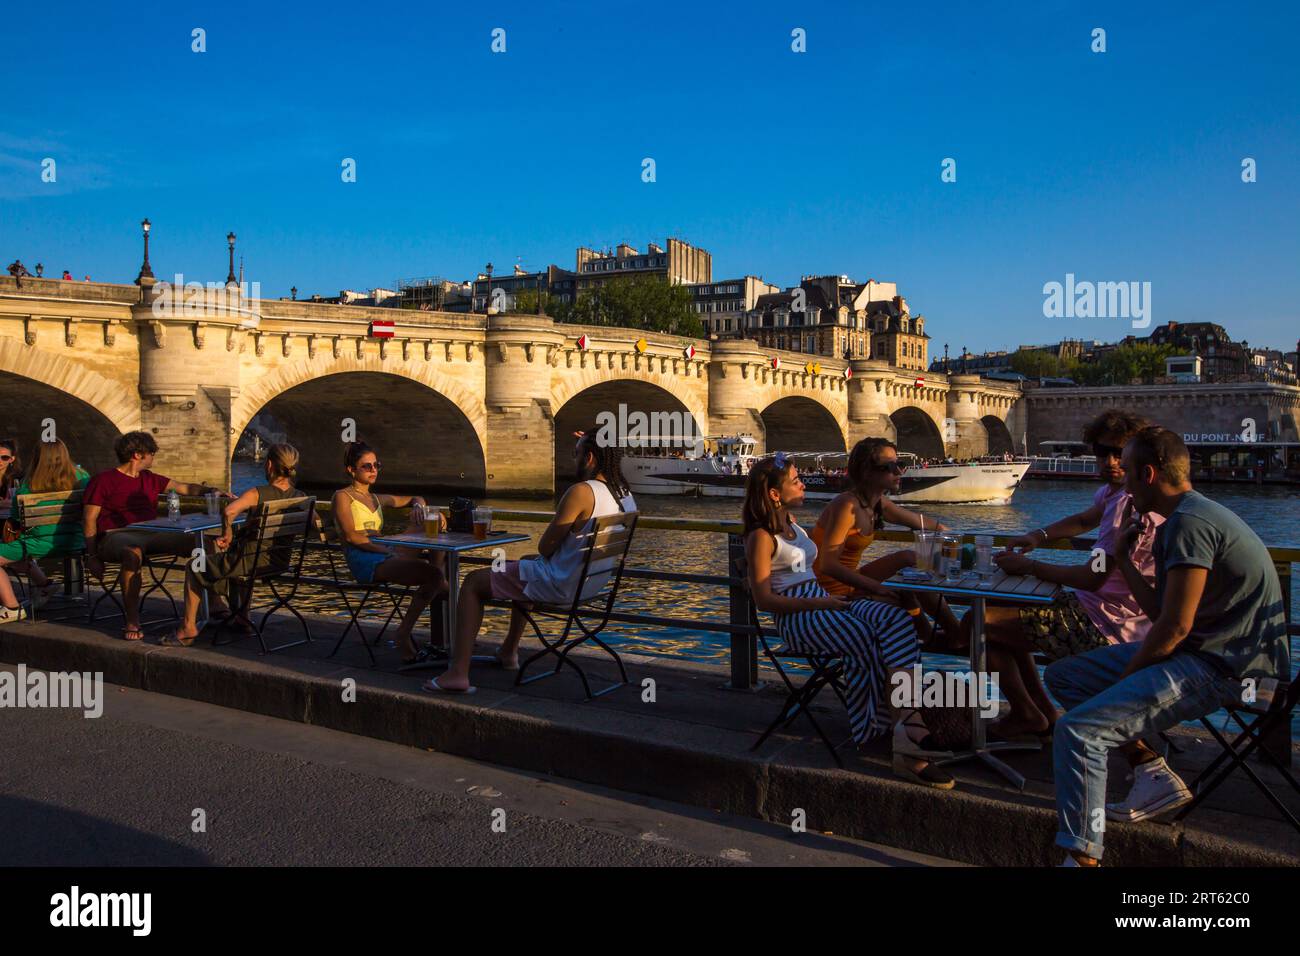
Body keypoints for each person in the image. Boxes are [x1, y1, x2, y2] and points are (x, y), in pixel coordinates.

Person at [1045, 428, 1288, 866]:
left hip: (1231, 671)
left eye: (1129, 477)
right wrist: (1122, 558)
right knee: (1064, 675)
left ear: (1149, 474)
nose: (1122, 483)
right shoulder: (1187, 517)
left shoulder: (1189, 525)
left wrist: (1128, 676)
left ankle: (1081, 855)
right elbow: (1163, 614)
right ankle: (1151, 771)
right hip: (1205, 653)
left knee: (1078, 729)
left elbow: (1174, 627)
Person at [743, 455, 955, 789]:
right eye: (795, 480)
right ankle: (904, 740)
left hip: (827, 605)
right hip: (799, 618)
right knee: (866, 632)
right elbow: (764, 600)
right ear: (773, 494)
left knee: (897, 619)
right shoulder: (761, 537)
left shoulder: (793, 523)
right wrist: (821, 602)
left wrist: (849, 597)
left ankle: (905, 721)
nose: (802, 483)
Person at [977, 411, 1162, 740]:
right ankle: (1039, 714)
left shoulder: (1127, 504)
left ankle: (1029, 713)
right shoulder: (1117, 494)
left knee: (982, 625)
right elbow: (1083, 520)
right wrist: (1038, 536)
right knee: (1000, 615)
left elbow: (1094, 577)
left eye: (1119, 454)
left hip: (1108, 627)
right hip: (1118, 618)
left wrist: (1029, 566)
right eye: (1103, 452)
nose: (1110, 461)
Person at [428, 430, 636, 694]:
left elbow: (545, 546)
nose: (573, 459)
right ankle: (509, 651)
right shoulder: (626, 495)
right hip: (593, 586)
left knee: (472, 582)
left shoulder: (582, 492)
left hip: (561, 585)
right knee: (524, 564)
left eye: (576, 453)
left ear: (590, 457)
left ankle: (457, 673)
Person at [811, 437, 961, 645]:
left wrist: (953, 539)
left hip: (851, 580)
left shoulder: (877, 503)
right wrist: (877, 588)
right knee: (905, 587)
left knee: (909, 560)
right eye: (891, 467)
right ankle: (951, 636)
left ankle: (949, 634)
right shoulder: (847, 505)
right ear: (866, 471)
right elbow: (828, 564)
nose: (899, 472)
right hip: (831, 592)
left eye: (900, 465)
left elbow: (923, 523)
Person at [82, 431, 230, 641]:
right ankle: (132, 619)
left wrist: (213, 491)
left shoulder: (150, 479)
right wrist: (92, 556)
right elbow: (89, 519)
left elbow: (184, 487)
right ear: (137, 455)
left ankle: (214, 601)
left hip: (152, 533)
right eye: (151, 453)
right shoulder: (103, 480)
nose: (153, 457)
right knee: (132, 553)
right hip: (116, 535)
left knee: (203, 544)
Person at [165, 444, 311, 646]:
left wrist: (227, 532)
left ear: (269, 465)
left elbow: (229, 511)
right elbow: (315, 523)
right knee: (239, 564)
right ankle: (242, 617)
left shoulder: (258, 493)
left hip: (249, 561)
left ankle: (188, 627)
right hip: (278, 561)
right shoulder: (301, 496)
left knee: (195, 566)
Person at [331, 441, 446, 665]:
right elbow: (351, 537)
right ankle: (404, 634)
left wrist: (419, 507)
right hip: (365, 558)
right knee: (435, 579)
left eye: (376, 465)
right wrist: (386, 550)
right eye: (367, 466)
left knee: (435, 519)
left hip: (385, 550)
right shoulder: (342, 497)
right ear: (351, 470)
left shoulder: (375, 498)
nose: (374, 470)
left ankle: (439, 573)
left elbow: (415, 498)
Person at [0, 439, 89, 624]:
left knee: (14, 547)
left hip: (40, 544)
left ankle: (11, 607)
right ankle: (45, 585)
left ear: (37, 457)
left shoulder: (29, 484)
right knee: (15, 551)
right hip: (77, 542)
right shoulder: (83, 478)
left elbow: (17, 520)